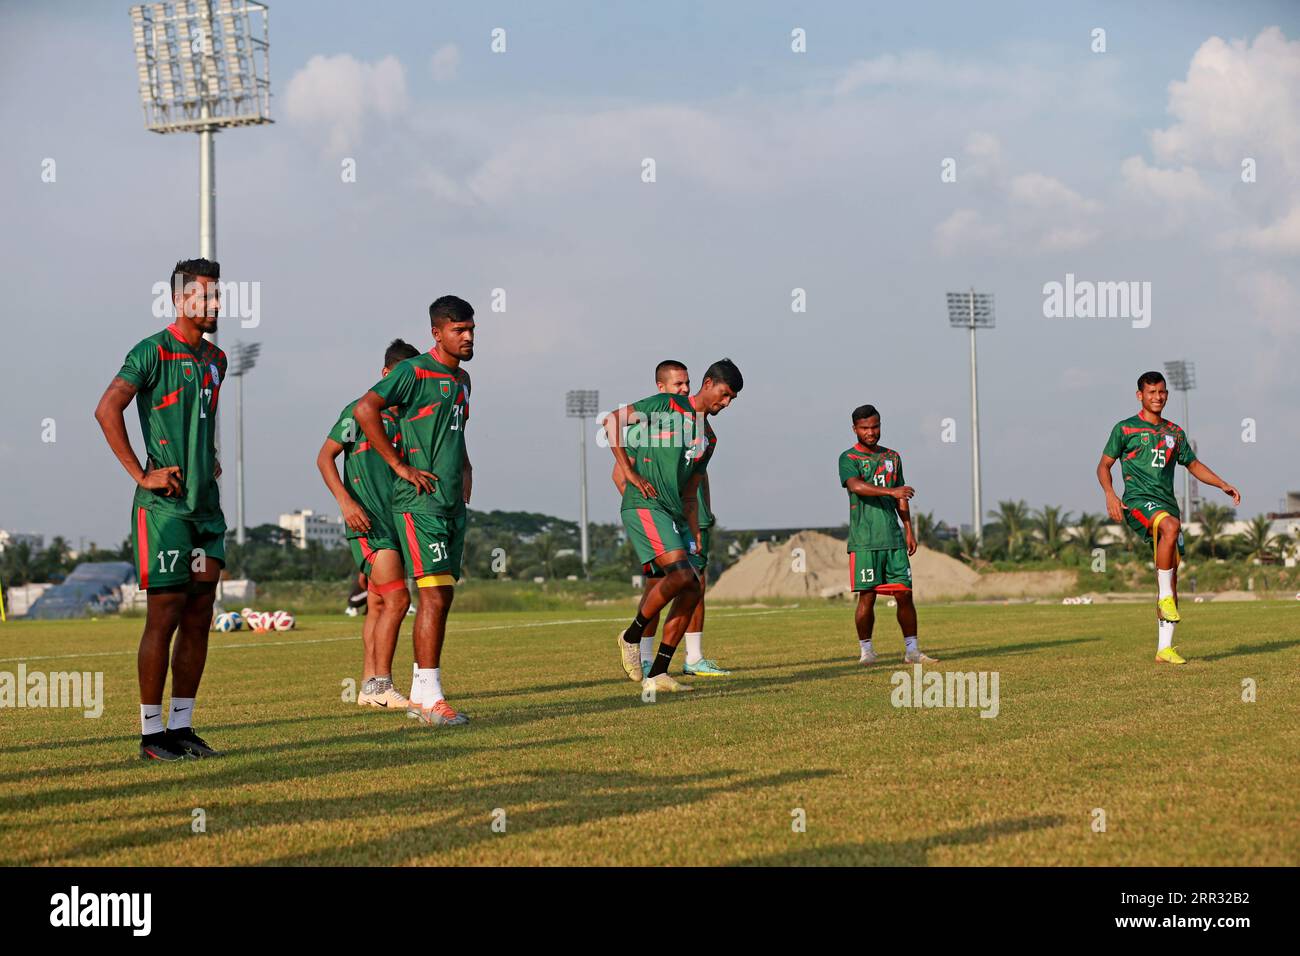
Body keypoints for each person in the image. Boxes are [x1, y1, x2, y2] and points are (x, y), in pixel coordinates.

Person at [94, 258, 228, 760]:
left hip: (206, 511)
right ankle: (152, 736)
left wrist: (208, 460)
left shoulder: (217, 360)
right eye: (206, 297)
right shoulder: (151, 351)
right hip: (164, 509)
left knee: (199, 614)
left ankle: (182, 728)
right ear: (180, 300)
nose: (215, 305)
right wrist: (141, 473)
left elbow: (199, 420)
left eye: (218, 296)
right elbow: (107, 409)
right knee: (165, 614)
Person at [354, 296, 475, 725]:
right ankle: (427, 697)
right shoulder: (412, 371)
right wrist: (398, 465)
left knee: (442, 595)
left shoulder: (463, 380)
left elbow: (453, 433)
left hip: (448, 503)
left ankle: (424, 691)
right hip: (418, 503)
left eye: (471, 329)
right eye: (459, 330)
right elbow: (364, 409)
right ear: (437, 333)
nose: (468, 337)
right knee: (433, 594)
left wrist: (465, 467)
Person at [606, 359, 742, 693]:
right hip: (645, 506)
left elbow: (690, 494)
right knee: (678, 577)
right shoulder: (668, 404)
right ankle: (631, 636)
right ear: (708, 383)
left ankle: (659, 673)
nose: (725, 404)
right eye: (724, 395)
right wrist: (631, 472)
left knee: (693, 587)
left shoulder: (708, 438)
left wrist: (694, 534)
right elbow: (612, 421)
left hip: (677, 515)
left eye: (731, 400)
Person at [1097, 371, 1241, 664]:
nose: (1158, 397)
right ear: (1140, 395)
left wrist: (1222, 483)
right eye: (1151, 392)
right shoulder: (1124, 429)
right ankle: (1164, 598)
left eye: (1162, 392)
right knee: (1171, 528)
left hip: (1167, 505)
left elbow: (1194, 464)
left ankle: (1165, 648)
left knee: (1171, 577)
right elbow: (1103, 466)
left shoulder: (1175, 433)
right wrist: (1110, 495)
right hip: (1138, 502)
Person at [317, 338, 420, 709]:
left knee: (378, 605)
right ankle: (382, 686)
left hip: (399, 522)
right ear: (386, 374)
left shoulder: (410, 418)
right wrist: (346, 504)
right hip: (368, 522)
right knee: (398, 598)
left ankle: (366, 687)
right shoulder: (358, 412)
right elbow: (325, 458)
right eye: (401, 377)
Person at [838, 404, 936, 665]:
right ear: (855, 429)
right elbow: (855, 486)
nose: (871, 432)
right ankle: (866, 652)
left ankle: (912, 651)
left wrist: (909, 530)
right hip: (865, 541)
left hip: (893, 539)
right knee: (867, 597)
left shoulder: (893, 457)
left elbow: (902, 496)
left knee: (904, 594)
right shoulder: (848, 459)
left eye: (875, 427)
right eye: (865, 428)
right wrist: (891, 493)